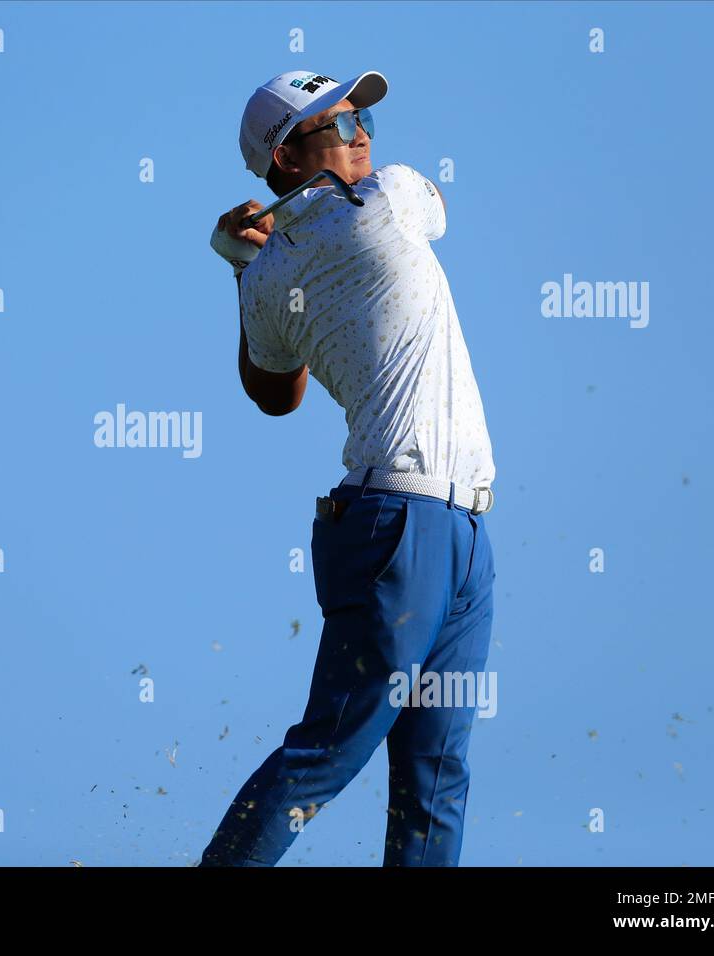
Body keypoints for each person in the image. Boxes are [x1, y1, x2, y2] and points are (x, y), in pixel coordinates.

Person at [199, 69, 497, 867]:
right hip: (399, 528)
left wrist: (241, 264)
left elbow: (273, 391)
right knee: (334, 748)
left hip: (456, 528)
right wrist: (257, 259)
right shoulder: (393, 198)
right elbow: (443, 203)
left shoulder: (266, 277)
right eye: (341, 122)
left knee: (436, 775)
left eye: (364, 116)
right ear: (287, 157)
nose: (364, 131)